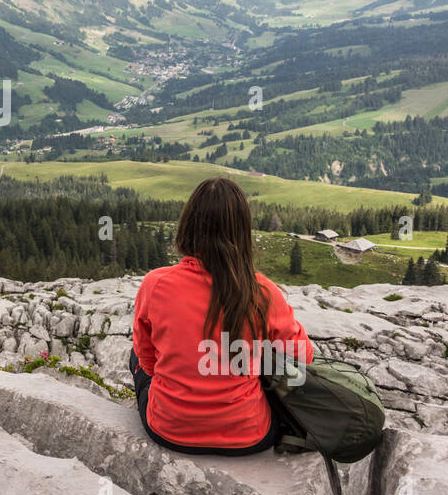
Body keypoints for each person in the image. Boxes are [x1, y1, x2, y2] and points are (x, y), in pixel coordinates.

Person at [130, 177, 312, 455]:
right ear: (241, 233)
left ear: (188, 225)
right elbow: (302, 357)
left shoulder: (155, 284)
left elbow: (148, 362)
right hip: (247, 436)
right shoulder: (262, 291)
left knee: (135, 358)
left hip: (169, 430)